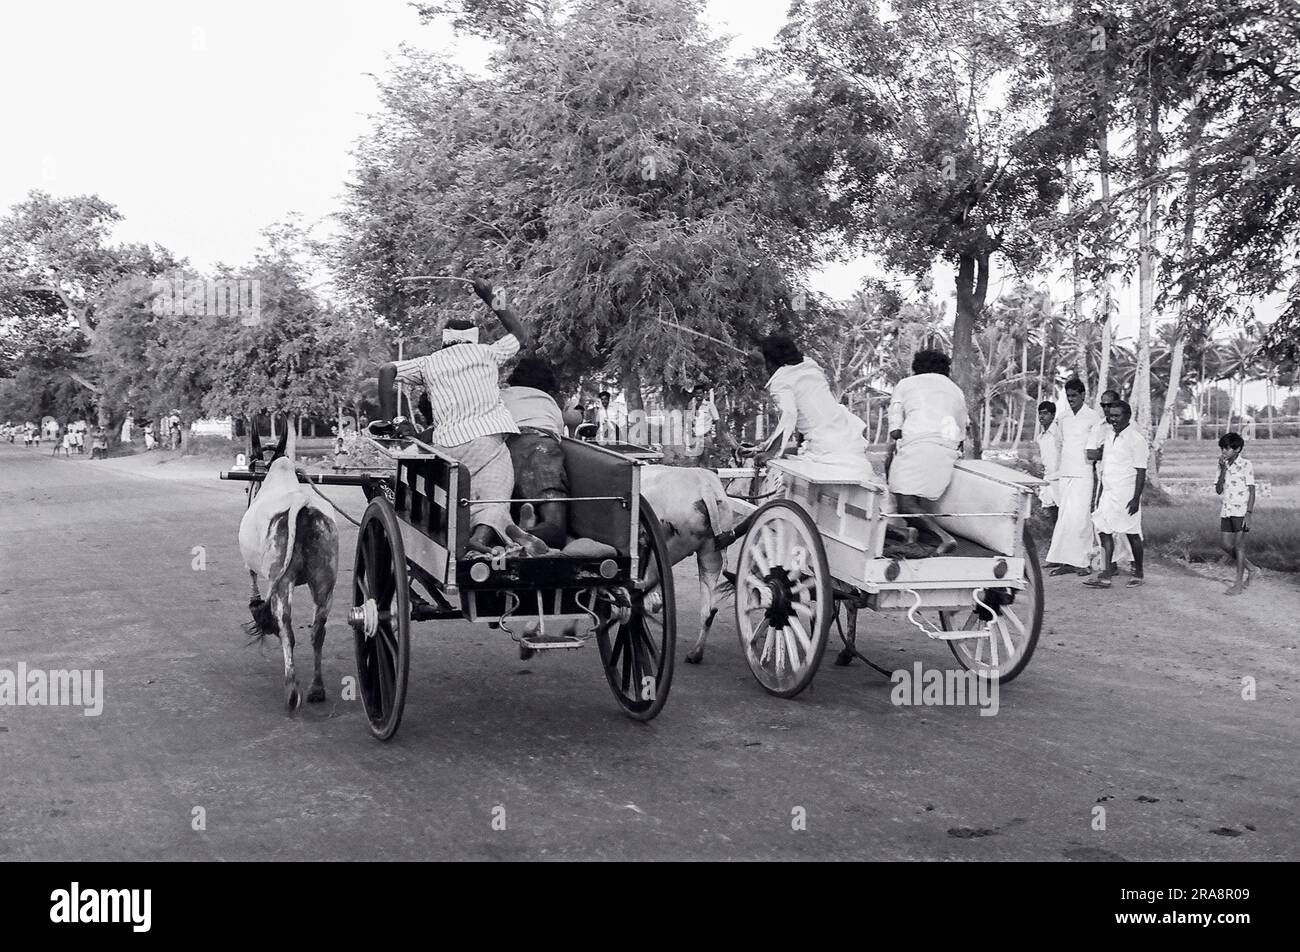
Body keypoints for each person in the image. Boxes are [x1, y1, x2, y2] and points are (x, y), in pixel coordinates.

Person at [373, 278, 546, 556]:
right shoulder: (488, 352)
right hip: (487, 440)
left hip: (447, 447)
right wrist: (491, 297)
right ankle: (487, 533)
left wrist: (391, 421)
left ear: (445, 341)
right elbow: (520, 335)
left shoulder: (429, 362)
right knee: (495, 493)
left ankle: (485, 536)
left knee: (459, 494)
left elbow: (385, 370)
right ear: (474, 338)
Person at [885, 348, 969, 555]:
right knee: (916, 499)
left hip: (918, 446)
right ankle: (921, 537)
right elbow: (962, 427)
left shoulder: (905, 385)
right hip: (948, 449)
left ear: (917, 368)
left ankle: (942, 537)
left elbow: (895, 430)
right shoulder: (956, 390)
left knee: (905, 502)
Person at [757, 333, 875, 477]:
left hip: (824, 451)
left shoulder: (780, 381)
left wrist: (771, 452)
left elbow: (789, 415)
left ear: (770, 362)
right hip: (850, 445)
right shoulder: (811, 366)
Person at [499, 356, 570, 549]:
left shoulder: (502, 396)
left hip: (508, 448)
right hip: (543, 448)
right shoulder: (549, 402)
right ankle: (534, 530)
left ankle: (513, 527)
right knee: (555, 526)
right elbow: (558, 433)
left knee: (503, 497)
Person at [1084, 400, 1147, 589]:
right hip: (1108, 493)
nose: (1113, 419)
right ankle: (1105, 573)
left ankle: (1139, 572)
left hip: (1127, 495)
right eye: (1111, 415)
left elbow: (1141, 472)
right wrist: (1101, 493)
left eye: (1117, 415)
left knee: (1132, 534)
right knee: (1103, 531)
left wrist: (1136, 499)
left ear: (1128, 416)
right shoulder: (1109, 435)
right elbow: (1106, 468)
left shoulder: (1137, 440)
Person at [1046, 377, 1104, 576]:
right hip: (1066, 472)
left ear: (1082, 395)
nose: (1070, 399)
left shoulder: (1093, 417)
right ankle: (1066, 560)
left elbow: (1097, 445)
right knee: (1065, 517)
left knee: (1081, 518)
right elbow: (1060, 444)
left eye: (1074, 396)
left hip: (1084, 472)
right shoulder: (1062, 417)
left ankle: (1082, 561)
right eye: (1068, 396)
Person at [1216, 432, 1258, 595]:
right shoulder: (1222, 465)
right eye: (1222, 448)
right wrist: (1222, 471)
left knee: (1239, 547)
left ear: (1237, 449)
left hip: (1241, 511)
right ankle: (1252, 568)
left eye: (1227, 448)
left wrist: (1249, 513)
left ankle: (1238, 584)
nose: (1223, 451)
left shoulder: (1246, 464)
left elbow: (1252, 490)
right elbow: (1218, 489)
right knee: (1226, 545)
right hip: (1226, 510)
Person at [1036, 400, 1061, 537]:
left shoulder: (1058, 434)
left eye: (1045, 413)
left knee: (1062, 512)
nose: (1042, 416)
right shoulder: (1040, 437)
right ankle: (1055, 541)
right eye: (1040, 413)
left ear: (1052, 415)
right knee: (1051, 512)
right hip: (1048, 478)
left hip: (1060, 477)